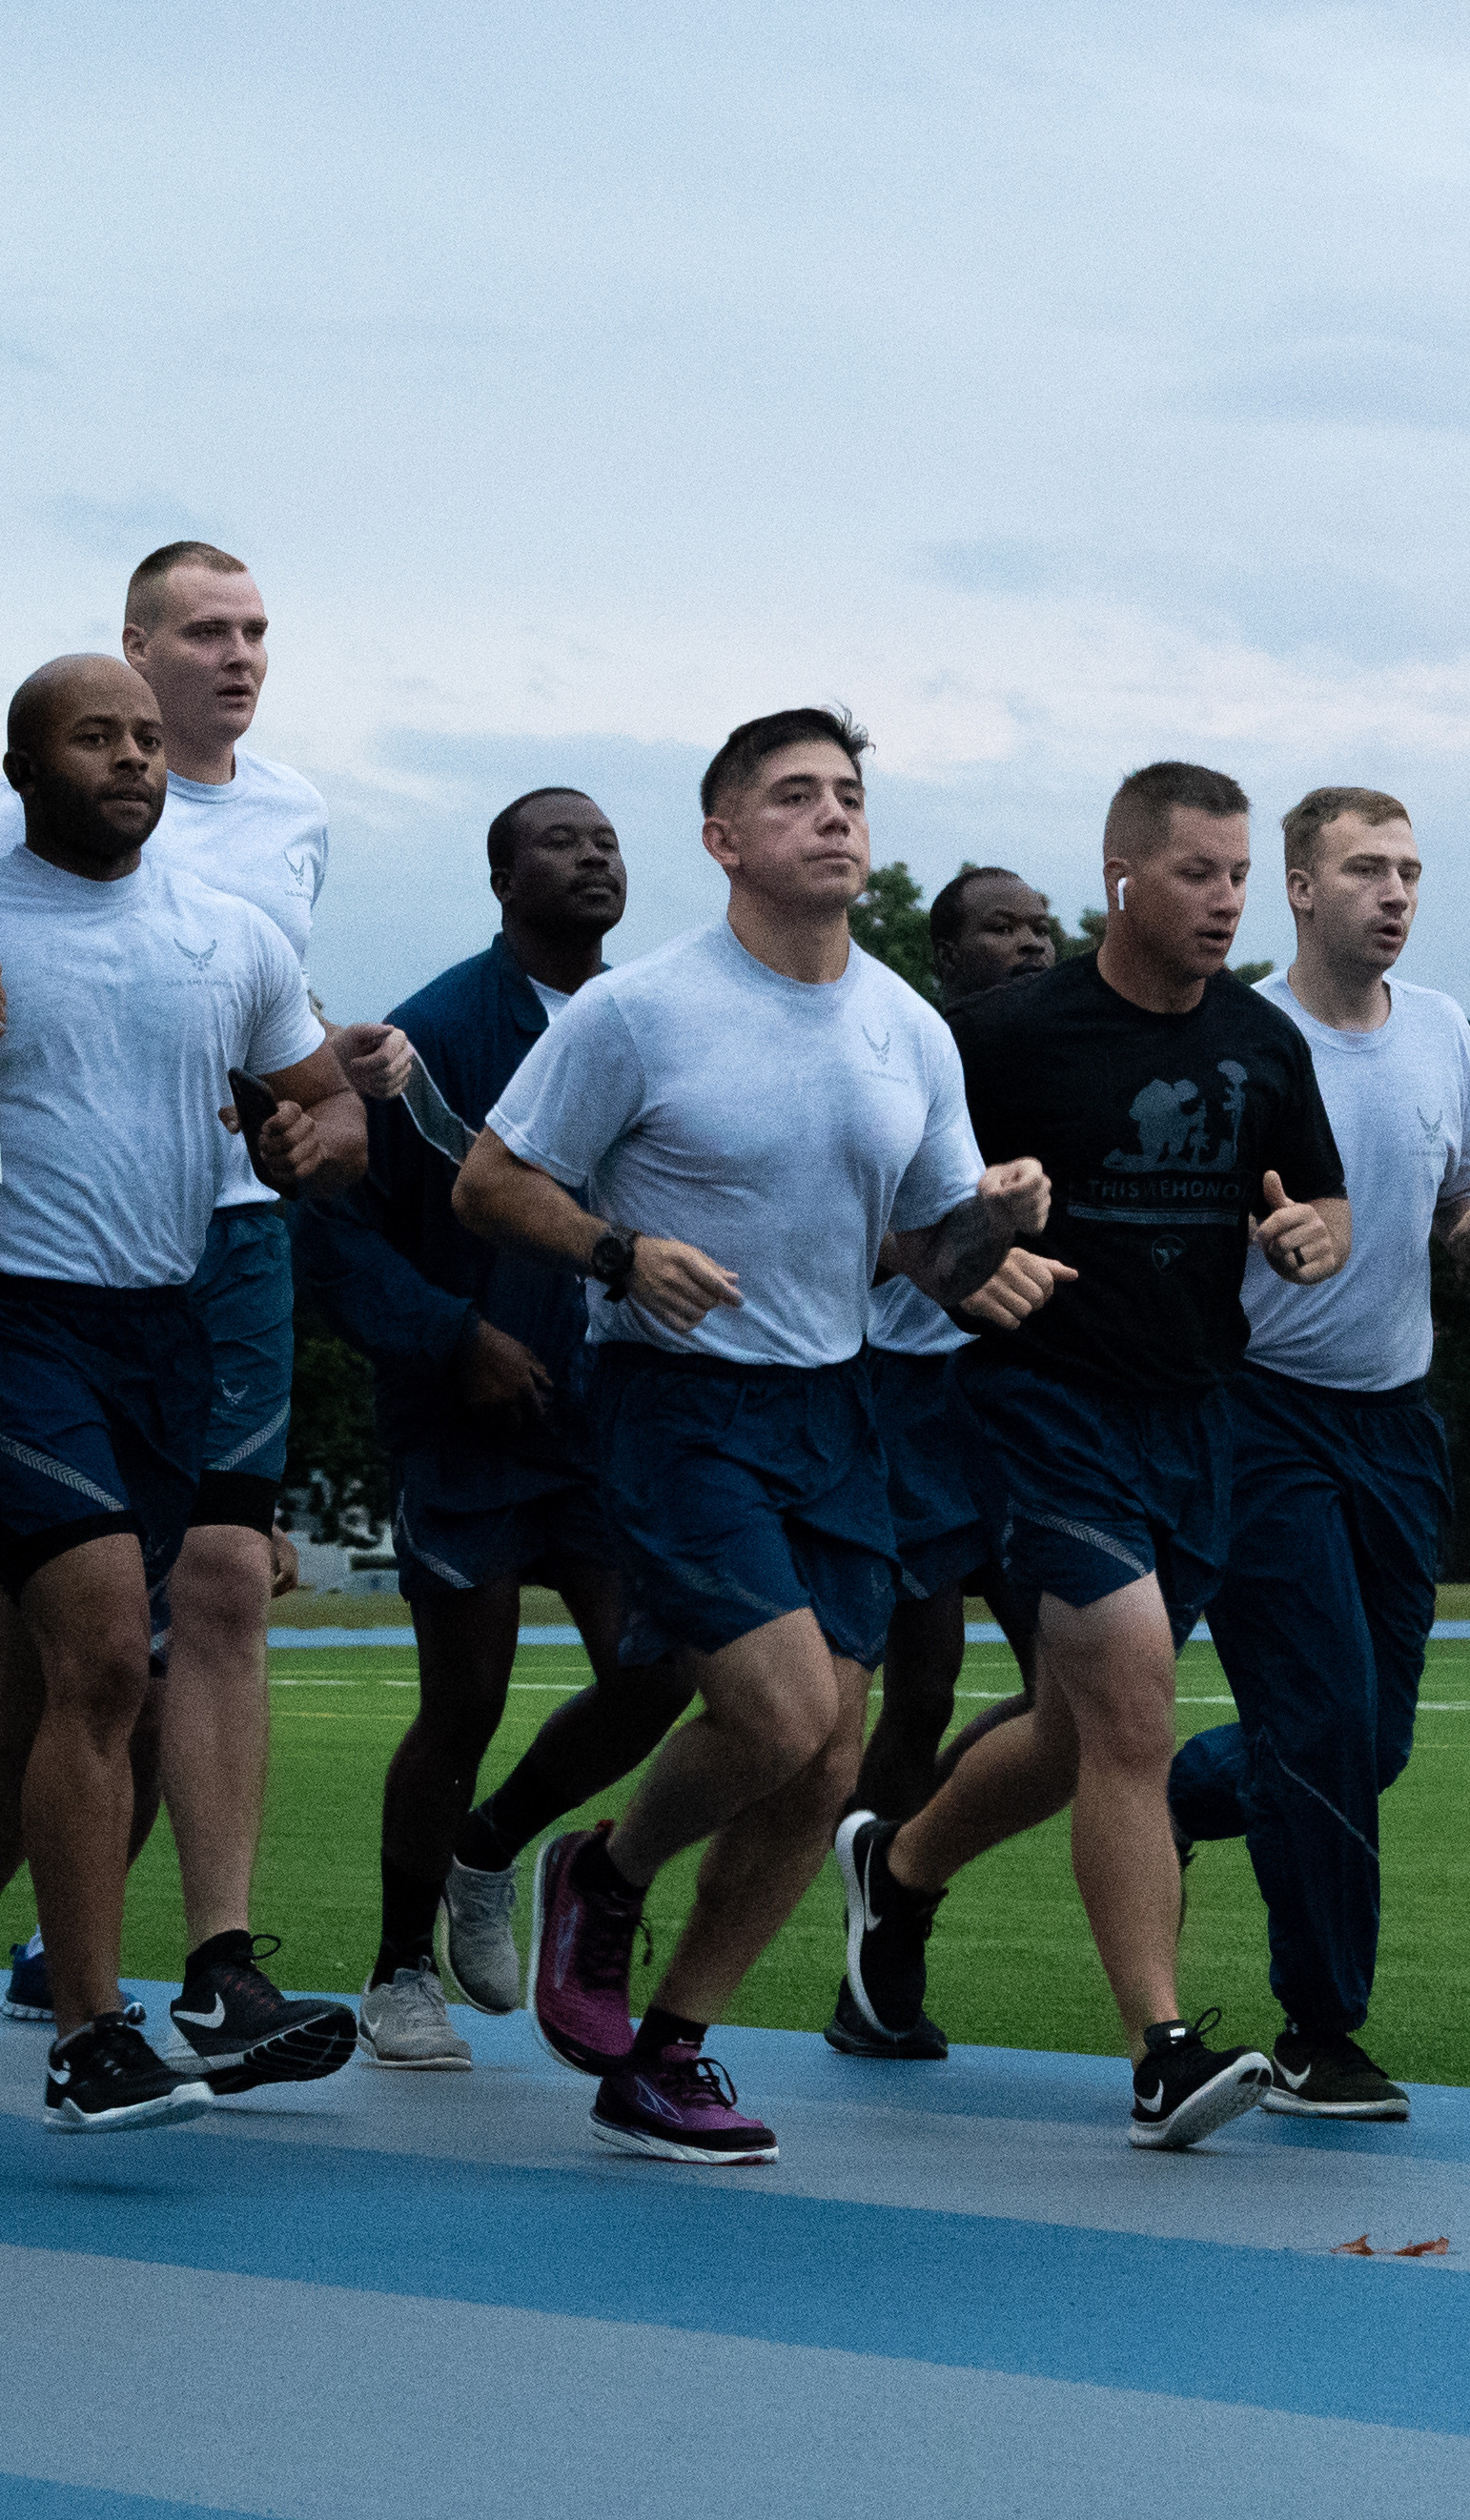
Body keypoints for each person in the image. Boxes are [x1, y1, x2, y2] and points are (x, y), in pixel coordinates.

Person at [0, 652, 367, 2147]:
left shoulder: (223, 934)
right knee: (112, 1656)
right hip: (3, 1319)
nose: (131, 758)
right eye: (94, 737)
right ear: (22, 768)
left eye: (144, 739)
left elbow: (326, 1101)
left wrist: (318, 1144)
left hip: (160, 1329)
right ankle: (93, 2034)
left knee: (59, 1694)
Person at [459, 707, 1054, 2164]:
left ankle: (669, 2053)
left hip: (836, 1403)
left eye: (849, 795)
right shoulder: (639, 1012)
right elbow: (488, 1181)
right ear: (725, 841)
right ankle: (603, 1869)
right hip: (678, 1399)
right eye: (796, 798)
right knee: (782, 1710)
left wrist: (999, 1230)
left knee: (826, 1760)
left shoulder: (906, 1025)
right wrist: (616, 1255)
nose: (834, 818)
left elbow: (922, 1250)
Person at [833, 761, 1349, 2152]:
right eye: (1199, 874)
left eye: (1240, 876)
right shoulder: (1001, 1039)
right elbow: (885, 1220)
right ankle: (1162, 2053)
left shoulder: (1263, 1039)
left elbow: (1325, 1202)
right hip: (1036, 1407)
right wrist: (975, 1239)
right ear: (1122, 876)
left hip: (1196, 1418)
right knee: (1133, 1706)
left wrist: (1316, 1239)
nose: (1226, 901)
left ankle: (900, 1873)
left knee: (1072, 1738)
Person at [294, 785, 690, 2070]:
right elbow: (333, 1231)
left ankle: (495, 1846)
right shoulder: (438, 1028)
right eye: (562, 840)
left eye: (611, 840)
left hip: (605, 1416)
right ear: (499, 874)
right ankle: (400, 1968)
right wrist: (450, 1337)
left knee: (660, 1669)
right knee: (459, 1699)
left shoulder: (647, 1023)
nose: (596, 856)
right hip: (465, 1417)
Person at [98, 540, 409, 2061]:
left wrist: (327, 1086)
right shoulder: (51, 812)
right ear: (135, 645)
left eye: (257, 632)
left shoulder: (294, 814)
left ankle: (218, 1965)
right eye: (205, 631)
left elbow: (265, 1013)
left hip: (231, 1237)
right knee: (59, 1621)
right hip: (67, 1252)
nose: (239, 656)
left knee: (219, 1582)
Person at [1164, 789, 1470, 2123]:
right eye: (1366, 868)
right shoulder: (1237, 1039)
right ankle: (1320, 2030)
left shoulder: (1444, 1033)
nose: (1397, 891)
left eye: (1412, 870)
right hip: (1261, 1417)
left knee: (1368, 1746)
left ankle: (1174, 1789)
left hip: (1397, 1423)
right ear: (1298, 890)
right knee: (1317, 1720)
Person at [835, 866, 1066, 1950]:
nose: (1029, 944)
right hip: (907, 1396)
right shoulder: (903, 1052)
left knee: (1068, 1693)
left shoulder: (1072, 1054)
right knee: (920, 1687)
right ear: (942, 952)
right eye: (1000, 927)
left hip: (1020, 1401)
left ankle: (895, 1861)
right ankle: (860, 1895)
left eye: (1042, 928)